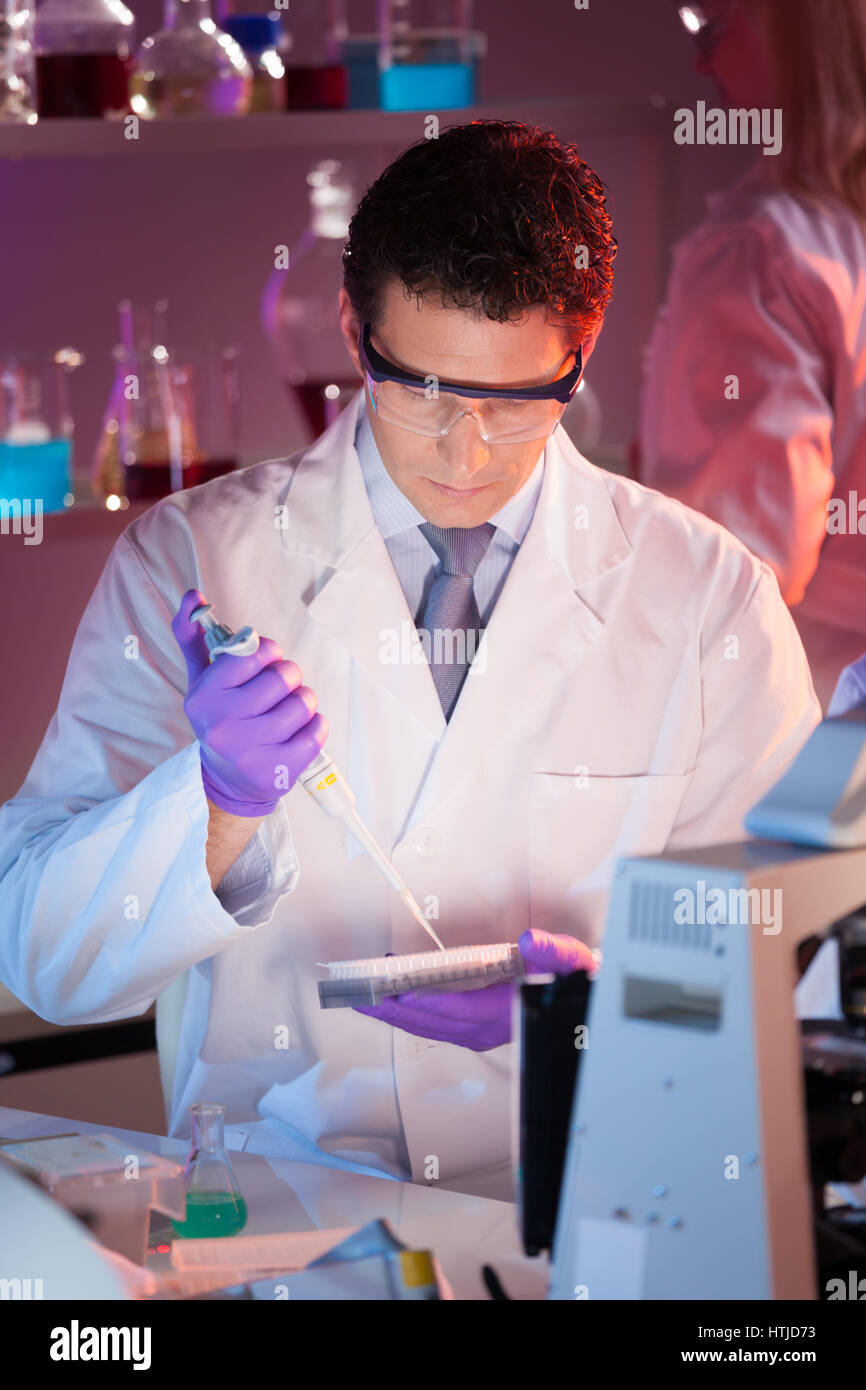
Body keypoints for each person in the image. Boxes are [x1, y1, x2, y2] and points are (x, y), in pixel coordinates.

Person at [0, 122, 820, 1201]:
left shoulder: (708, 596)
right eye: (423, 389)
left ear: (583, 347)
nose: (465, 454)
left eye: (517, 400)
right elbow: (43, 957)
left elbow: (799, 986)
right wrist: (215, 803)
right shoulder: (193, 558)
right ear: (352, 329)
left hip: (582, 1207)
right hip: (269, 1212)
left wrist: (593, 1005)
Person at [639, 0, 866, 711]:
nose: (703, 60)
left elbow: (740, 567)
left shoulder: (760, 250)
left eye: (718, 26)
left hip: (815, 730)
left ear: (800, 37)